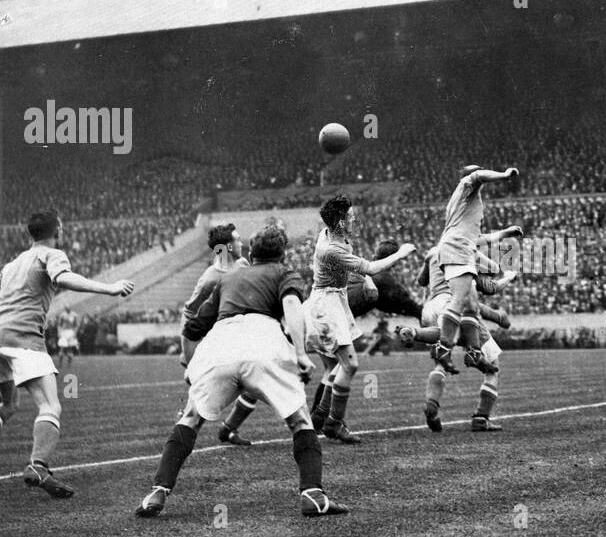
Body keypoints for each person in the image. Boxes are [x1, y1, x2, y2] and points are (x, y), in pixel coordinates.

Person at [135, 223, 343, 520]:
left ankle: (158, 491)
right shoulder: (283, 273)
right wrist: (299, 352)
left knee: (191, 417)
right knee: (300, 420)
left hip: (221, 342)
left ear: (253, 252)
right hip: (263, 339)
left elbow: (193, 326)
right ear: (282, 253)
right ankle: (313, 495)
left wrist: (191, 364)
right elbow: (291, 304)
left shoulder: (229, 278)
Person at [0, 209, 135, 498]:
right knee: (50, 405)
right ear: (57, 230)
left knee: (8, 403)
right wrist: (110, 288)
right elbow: (63, 277)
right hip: (21, 335)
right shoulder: (51, 254)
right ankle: (38, 466)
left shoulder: (12, 264)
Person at [305, 195, 416, 443]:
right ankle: (333, 423)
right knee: (350, 365)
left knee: (337, 365)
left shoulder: (331, 235)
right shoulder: (331, 249)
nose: (355, 219)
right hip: (327, 304)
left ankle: (321, 417)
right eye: (351, 216)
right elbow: (372, 268)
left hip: (334, 300)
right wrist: (403, 253)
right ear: (341, 222)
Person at [401, 243, 515, 432]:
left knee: (441, 361)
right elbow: (490, 286)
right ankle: (481, 417)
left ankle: (432, 405)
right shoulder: (467, 251)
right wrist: (508, 277)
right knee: (492, 365)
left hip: (431, 308)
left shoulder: (433, 251)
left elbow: (421, 281)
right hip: (455, 306)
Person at [430, 164, 521, 375]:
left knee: (471, 304)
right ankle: (443, 348)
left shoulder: (466, 203)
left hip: (462, 248)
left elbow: (478, 238)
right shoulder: (467, 186)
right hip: (458, 248)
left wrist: (505, 233)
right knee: (460, 298)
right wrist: (504, 175)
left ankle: (473, 352)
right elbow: (478, 175)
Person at [181, 222, 258, 446]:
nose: (241, 242)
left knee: (255, 380)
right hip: (216, 341)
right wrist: (186, 353)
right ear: (227, 247)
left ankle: (229, 429)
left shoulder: (243, 264)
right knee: (203, 398)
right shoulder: (210, 278)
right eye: (236, 239)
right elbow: (189, 311)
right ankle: (184, 435)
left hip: (238, 336)